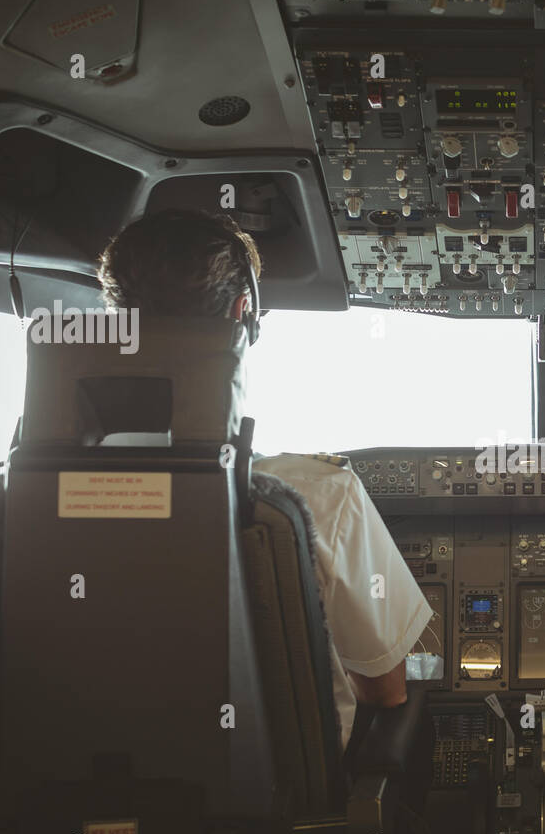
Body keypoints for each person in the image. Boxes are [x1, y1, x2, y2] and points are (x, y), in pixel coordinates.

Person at [97, 208, 430, 753]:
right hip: (277, 826)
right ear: (243, 311)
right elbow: (386, 692)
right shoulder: (312, 497)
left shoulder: (28, 503)